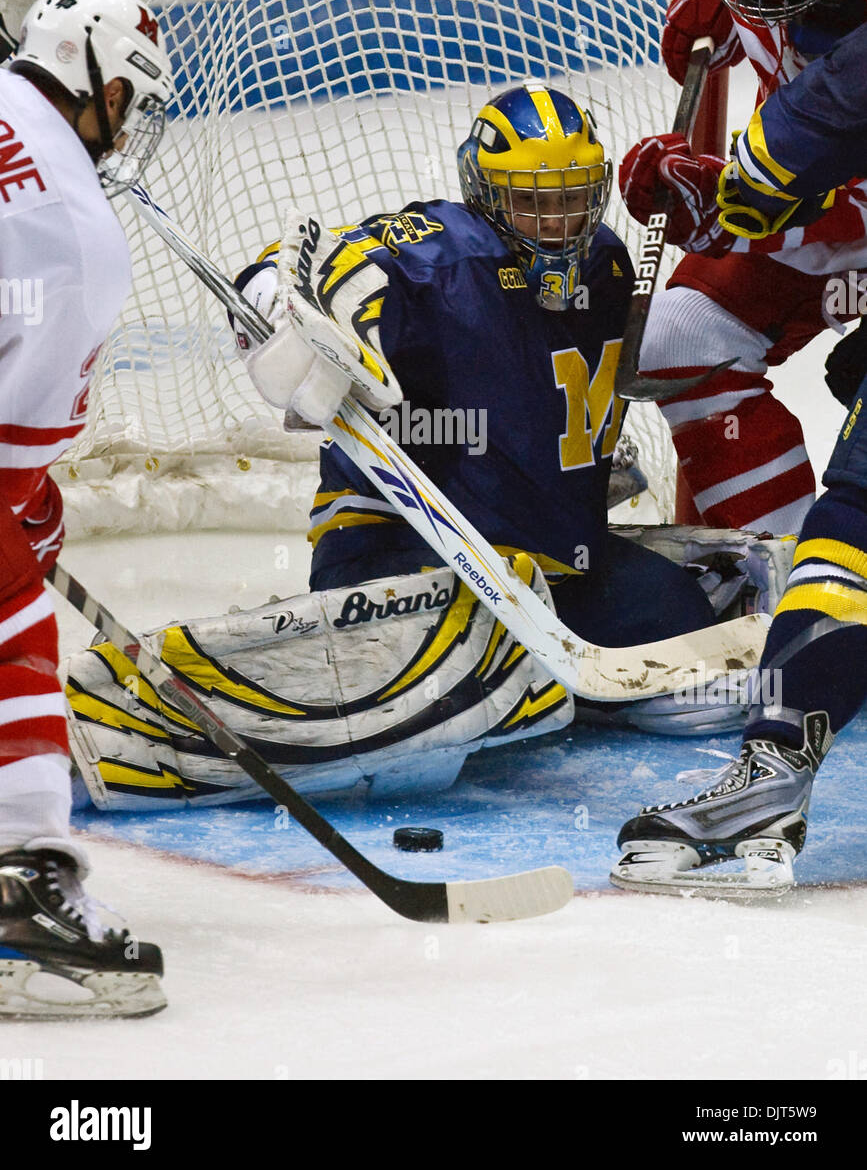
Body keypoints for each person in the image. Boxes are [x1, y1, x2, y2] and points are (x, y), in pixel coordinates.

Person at [64, 84, 790, 814]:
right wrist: (286, 321)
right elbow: (315, 266)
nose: (555, 221)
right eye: (529, 200)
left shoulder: (602, 260)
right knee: (469, 665)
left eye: (572, 197)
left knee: (707, 659)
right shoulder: (443, 252)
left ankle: (536, 681)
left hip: (557, 562)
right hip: (404, 555)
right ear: (482, 193)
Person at [612, 19, 867, 895]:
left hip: (835, 210)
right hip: (822, 216)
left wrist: (724, 199)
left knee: (859, 518)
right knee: (852, 521)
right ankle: (786, 607)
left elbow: (827, 110)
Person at [619, 0, 867, 534]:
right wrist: (725, 16)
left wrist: (723, 214)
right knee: (677, 339)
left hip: (839, 219)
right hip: (807, 205)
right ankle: (785, 559)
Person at [0, 0, 172, 1016]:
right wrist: (31, 514)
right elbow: (10, 463)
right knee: (12, 613)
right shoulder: (76, 238)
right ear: (104, 88)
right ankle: (24, 891)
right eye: (130, 104)